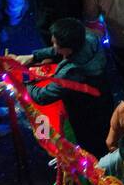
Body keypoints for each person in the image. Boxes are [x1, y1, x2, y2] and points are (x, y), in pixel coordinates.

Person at [23, 19, 115, 158]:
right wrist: (34, 56)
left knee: (92, 148)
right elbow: (58, 50)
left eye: (55, 43)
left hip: (85, 114)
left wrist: (23, 85)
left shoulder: (71, 73)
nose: (53, 46)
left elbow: (42, 96)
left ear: (68, 48)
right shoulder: (90, 39)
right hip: (104, 98)